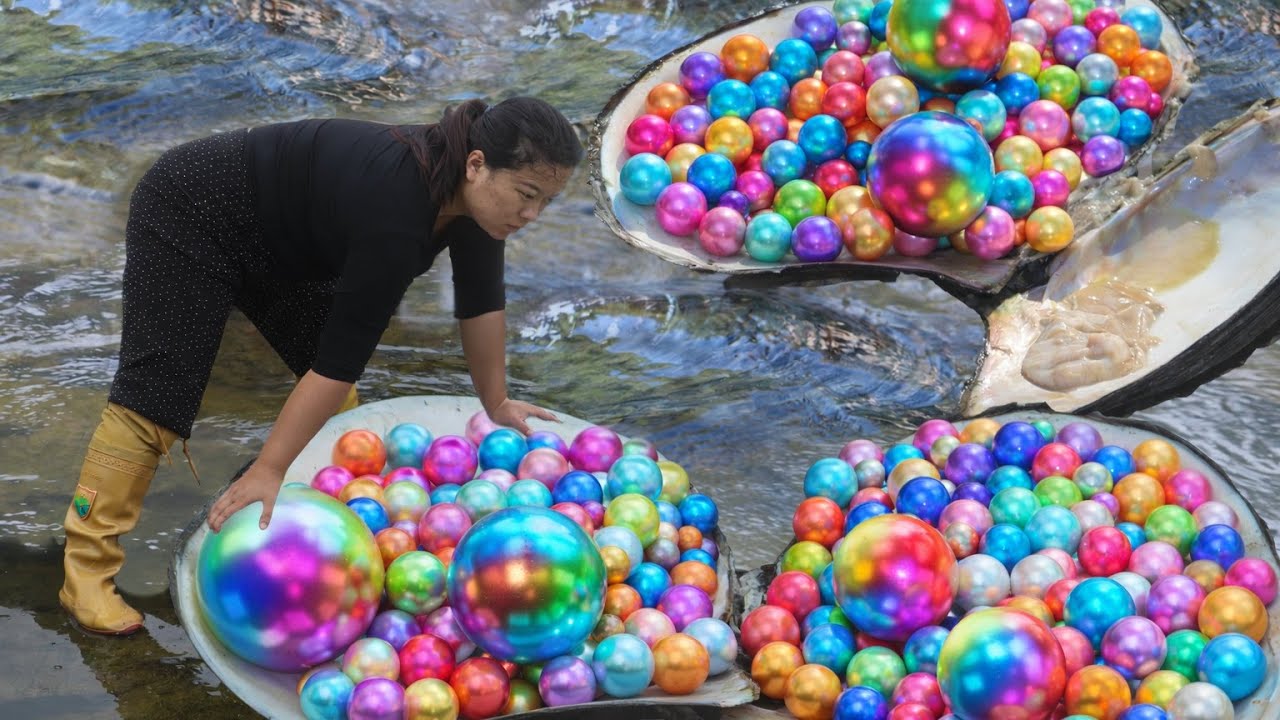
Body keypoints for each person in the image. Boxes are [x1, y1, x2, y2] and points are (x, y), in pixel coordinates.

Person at [60, 97, 584, 636]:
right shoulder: (398, 214)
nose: (531, 216)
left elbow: (481, 304)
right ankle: (86, 571)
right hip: (195, 207)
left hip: (286, 241)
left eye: (546, 202)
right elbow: (338, 363)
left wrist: (495, 401)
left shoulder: (475, 206)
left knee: (334, 391)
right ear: (477, 164)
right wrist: (269, 466)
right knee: (158, 400)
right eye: (526, 195)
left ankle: (314, 525)